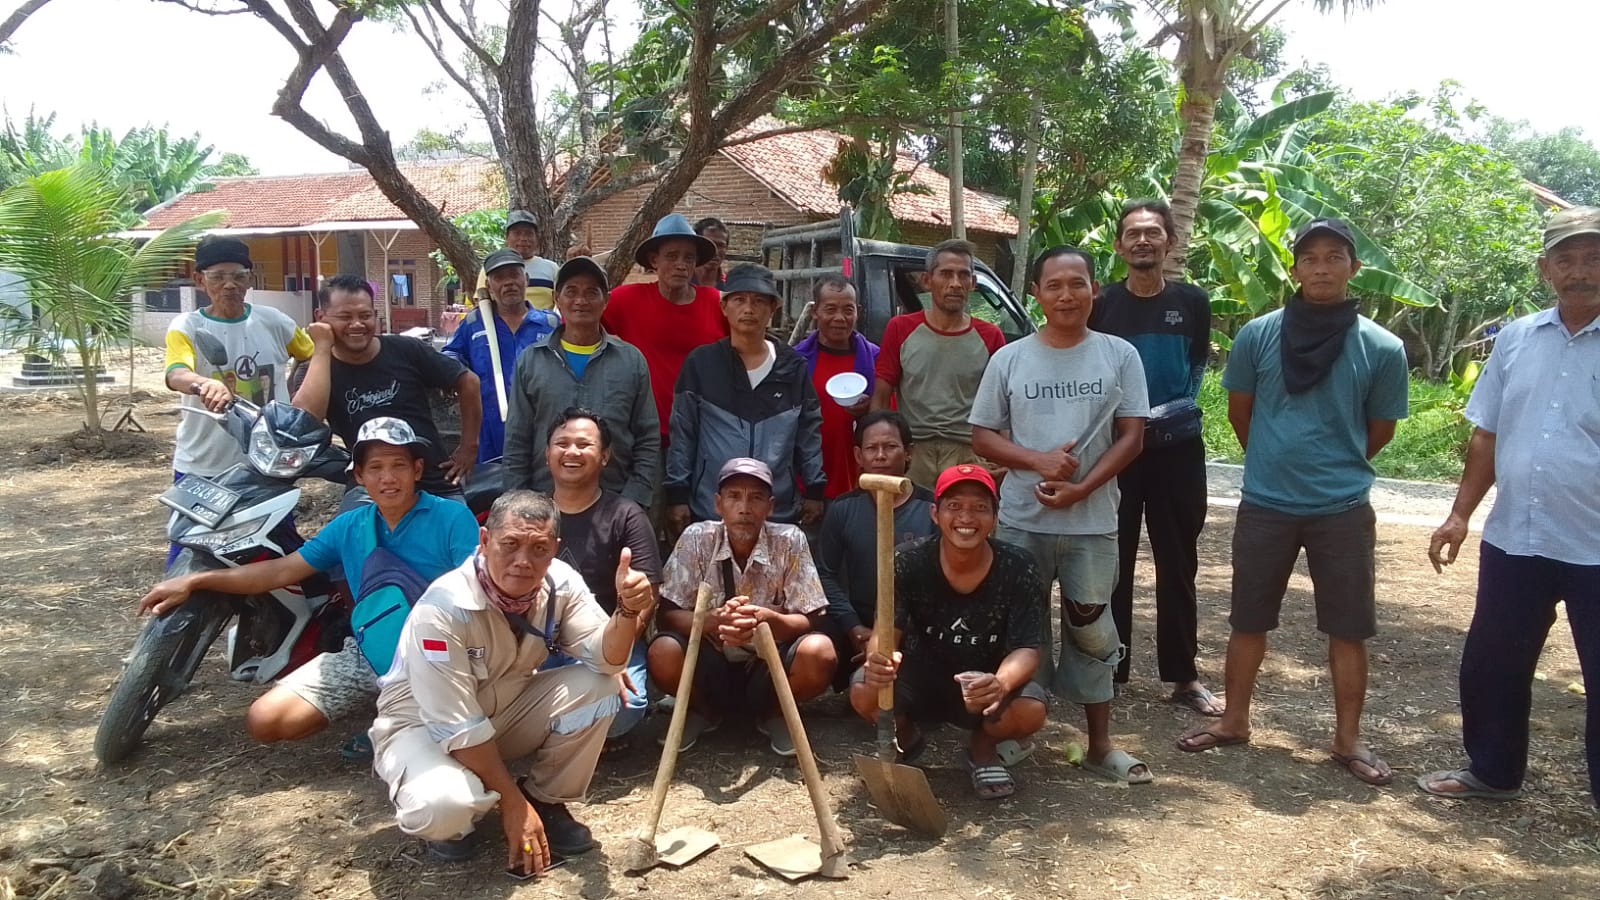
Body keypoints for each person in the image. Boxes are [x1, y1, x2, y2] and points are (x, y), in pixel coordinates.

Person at [1176, 218, 1408, 788]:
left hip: (1343, 506)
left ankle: (1347, 738)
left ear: (1354, 268)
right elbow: (1240, 412)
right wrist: (1276, 462)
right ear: (1295, 268)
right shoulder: (1258, 335)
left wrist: (1333, 463)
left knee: (1348, 627)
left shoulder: (1383, 346)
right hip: (1266, 503)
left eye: (1335, 257)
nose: (1322, 267)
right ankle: (1234, 720)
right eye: (1310, 258)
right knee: (1248, 619)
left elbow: (1380, 429)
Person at [138, 417, 481, 746]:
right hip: (372, 651)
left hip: (440, 652)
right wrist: (198, 581)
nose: (388, 477)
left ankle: (399, 724)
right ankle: (394, 711)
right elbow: (280, 571)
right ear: (359, 476)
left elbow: (475, 594)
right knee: (265, 721)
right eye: (376, 467)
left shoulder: (452, 518)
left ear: (417, 470)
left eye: (399, 465)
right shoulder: (349, 526)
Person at [1420, 206, 1600, 805]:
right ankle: (1493, 772)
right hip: (1515, 538)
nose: (1582, 271)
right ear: (1546, 268)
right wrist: (1459, 514)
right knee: (1493, 664)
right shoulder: (1518, 338)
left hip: (1596, 546)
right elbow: (1487, 434)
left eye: (1595, 257)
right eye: (1568, 259)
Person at [369, 490, 653, 869]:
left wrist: (627, 609)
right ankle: (469, 812)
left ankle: (545, 799)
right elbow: (455, 726)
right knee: (445, 808)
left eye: (539, 548)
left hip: (498, 712)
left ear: (555, 548)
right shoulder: (445, 607)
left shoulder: (560, 582)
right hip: (423, 725)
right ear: (484, 541)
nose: (523, 561)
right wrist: (510, 805)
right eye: (510, 545)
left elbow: (608, 657)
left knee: (600, 685)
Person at [970, 246, 1152, 785]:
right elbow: (982, 436)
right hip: (1023, 520)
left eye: (1078, 283)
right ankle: (1018, 732)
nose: (1067, 295)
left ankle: (1100, 745)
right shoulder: (1010, 358)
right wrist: (1037, 461)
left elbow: (1133, 436)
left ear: (1095, 289)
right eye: (1054, 285)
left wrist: (1081, 488)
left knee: (1094, 631)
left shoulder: (1119, 356)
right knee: (1017, 631)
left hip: (1093, 523)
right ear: (1036, 292)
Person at [849, 464, 1049, 799]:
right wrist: (878, 659)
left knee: (1031, 710)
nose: (966, 518)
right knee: (864, 690)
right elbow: (886, 629)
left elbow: (1028, 647)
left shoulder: (1019, 566)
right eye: (954, 506)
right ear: (935, 513)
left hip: (981, 683)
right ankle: (906, 737)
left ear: (995, 516)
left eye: (980, 508)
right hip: (918, 678)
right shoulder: (907, 561)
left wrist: (1000, 683)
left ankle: (982, 748)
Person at [1090, 200, 1220, 715]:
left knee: (1178, 561)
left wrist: (1161, 419)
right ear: (1120, 246)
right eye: (1132, 234)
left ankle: (1183, 676)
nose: (1143, 241)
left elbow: (1193, 371)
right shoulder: (1102, 304)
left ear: (1169, 241)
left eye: (1153, 232)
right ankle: (1112, 669)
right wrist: (1127, 426)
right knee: (1113, 561)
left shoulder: (1193, 301)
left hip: (1177, 451)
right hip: (1118, 450)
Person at [647, 458, 837, 757]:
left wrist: (771, 621)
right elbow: (666, 614)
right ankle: (701, 710)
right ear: (718, 504)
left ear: (771, 506)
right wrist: (710, 621)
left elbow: (813, 618)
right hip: (709, 662)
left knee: (820, 651)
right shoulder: (697, 537)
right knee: (663, 651)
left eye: (756, 498)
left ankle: (775, 713)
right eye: (734, 496)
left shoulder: (789, 540)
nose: (745, 508)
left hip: (767, 665)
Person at [163, 237, 313, 561]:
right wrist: (204, 384)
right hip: (204, 464)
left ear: (250, 278)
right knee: (189, 552)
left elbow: (311, 354)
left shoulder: (275, 322)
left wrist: (294, 395)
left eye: (238, 276)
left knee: (279, 546)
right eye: (218, 277)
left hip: (266, 463)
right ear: (200, 280)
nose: (229, 285)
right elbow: (176, 373)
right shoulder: (187, 326)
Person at [293, 275, 481, 505]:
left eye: (365, 315)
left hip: (434, 481)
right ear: (320, 318)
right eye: (345, 317)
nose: (356, 324)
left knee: (462, 537)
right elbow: (302, 425)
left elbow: (468, 381)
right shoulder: (314, 371)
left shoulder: (406, 350)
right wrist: (322, 347)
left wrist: (469, 447)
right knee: (352, 539)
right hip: (368, 488)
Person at [665, 263, 825, 529]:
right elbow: (683, 433)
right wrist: (677, 493)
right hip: (711, 509)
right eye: (739, 300)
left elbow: (808, 434)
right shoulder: (701, 364)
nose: (748, 309)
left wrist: (814, 488)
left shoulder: (792, 367)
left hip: (776, 510)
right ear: (724, 307)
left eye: (759, 301)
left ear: (773, 308)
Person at [541, 408, 662, 744]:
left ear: (605, 456)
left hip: (605, 636)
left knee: (628, 704)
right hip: (539, 641)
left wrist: (614, 651)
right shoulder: (530, 513)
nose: (572, 452)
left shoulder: (626, 515)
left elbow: (647, 594)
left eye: (584, 444)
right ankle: (560, 725)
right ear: (547, 452)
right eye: (562, 443)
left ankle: (556, 729)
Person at [503, 257, 658, 508]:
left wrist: (634, 499)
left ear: (605, 300)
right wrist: (520, 503)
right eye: (571, 291)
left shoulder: (630, 360)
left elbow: (647, 437)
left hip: (615, 501)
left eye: (591, 292)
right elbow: (517, 439)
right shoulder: (531, 361)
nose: (581, 301)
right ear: (557, 299)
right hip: (544, 504)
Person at [871, 239, 1006, 488]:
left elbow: (1003, 405)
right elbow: (880, 397)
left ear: (972, 284)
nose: (955, 283)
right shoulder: (901, 328)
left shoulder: (991, 336)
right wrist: (879, 451)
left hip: (968, 452)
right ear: (926, 280)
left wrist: (1004, 456)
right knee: (908, 524)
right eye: (945, 274)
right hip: (913, 452)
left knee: (965, 524)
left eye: (963, 275)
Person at [815, 411, 935, 678]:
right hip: (855, 622)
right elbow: (825, 574)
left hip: (914, 628)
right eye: (872, 448)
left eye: (891, 447)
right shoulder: (843, 509)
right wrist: (854, 627)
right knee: (814, 648)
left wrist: (892, 636)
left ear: (908, 452)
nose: (880, 455)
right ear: (858, 456)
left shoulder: (932, 509)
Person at [600, 213, 727, 458]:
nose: (681, 264)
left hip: (705, 432)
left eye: (689, 257)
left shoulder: (715, 303)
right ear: (654, 260)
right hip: (646, 436)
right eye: (671, 256)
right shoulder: (626, 300)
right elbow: (577, 323)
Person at [443, 248, 560, 463]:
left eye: (514, 275)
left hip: (541, 433)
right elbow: (450, 357)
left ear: (526, 279)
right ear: (489, 286)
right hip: (488, 433)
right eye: (499, 278)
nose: (508, 283)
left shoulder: (550, 323)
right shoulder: (473, 324)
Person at [794, 275, 879, 499]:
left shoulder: (875, 359)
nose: (839, 318)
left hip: (859, 480)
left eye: (848, 310)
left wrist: (869, 410)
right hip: (808, 481)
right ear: (815, 312)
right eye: (830, 309)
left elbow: (889, 416)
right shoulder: (796, 362)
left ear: (858, 311)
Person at [473, 209, 559, 311]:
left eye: (529, 233)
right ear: (507, 238)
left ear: (537, 238)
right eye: (517, 233)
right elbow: (482, 303)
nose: (523, 238)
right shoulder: (492, 268)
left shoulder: (552, 268)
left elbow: (560, 303)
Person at [693, 216, 730, 289]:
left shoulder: (730, 288)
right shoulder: (680, 282)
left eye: (721, 246)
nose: (715, 251)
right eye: (709, 244)